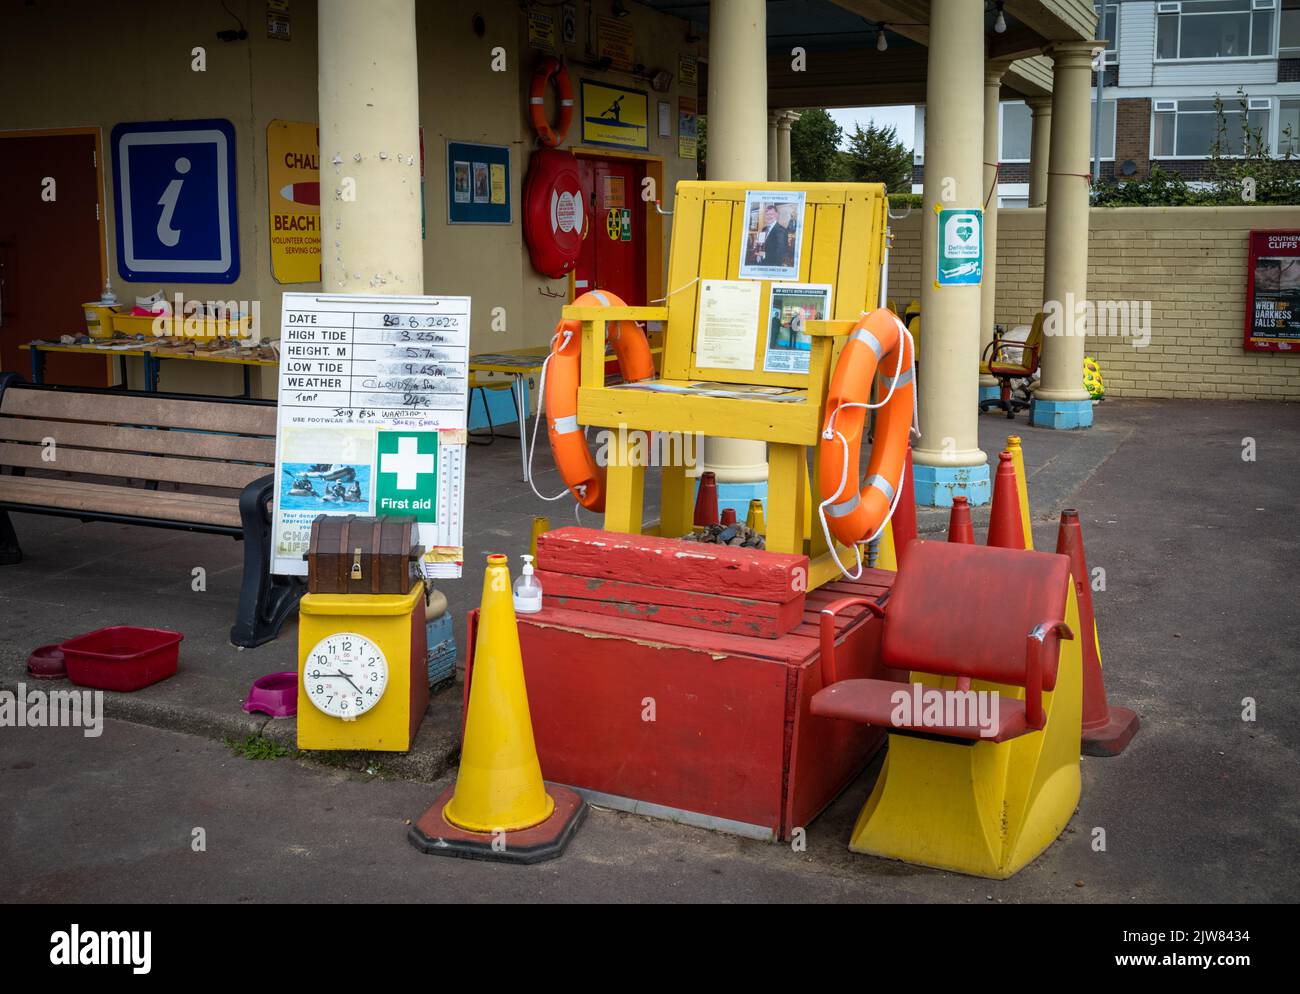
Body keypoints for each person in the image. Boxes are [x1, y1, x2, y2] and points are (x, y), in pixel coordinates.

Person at [754, 204, 790, 269]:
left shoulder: (781, 230)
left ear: (776, 215)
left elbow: (780, 253)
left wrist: (764, 255)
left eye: (771, 214)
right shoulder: (764, 229)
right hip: (760, 262)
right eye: (767, 214)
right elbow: (761, 245)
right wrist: (756, 245)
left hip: (772, 265)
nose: (769, 216)